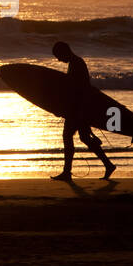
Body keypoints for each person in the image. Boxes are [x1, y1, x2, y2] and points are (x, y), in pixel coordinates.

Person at [50, 41, 115, 180]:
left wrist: (77, 111)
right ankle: (108, 165)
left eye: (58, 56)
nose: (58, 59)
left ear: (64, 51)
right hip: (79, 108)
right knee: (84, 138)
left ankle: (67, 172)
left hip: (78, 108)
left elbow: (81, 89)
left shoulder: (77, 64)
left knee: (68, 137)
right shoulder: (75, 63)